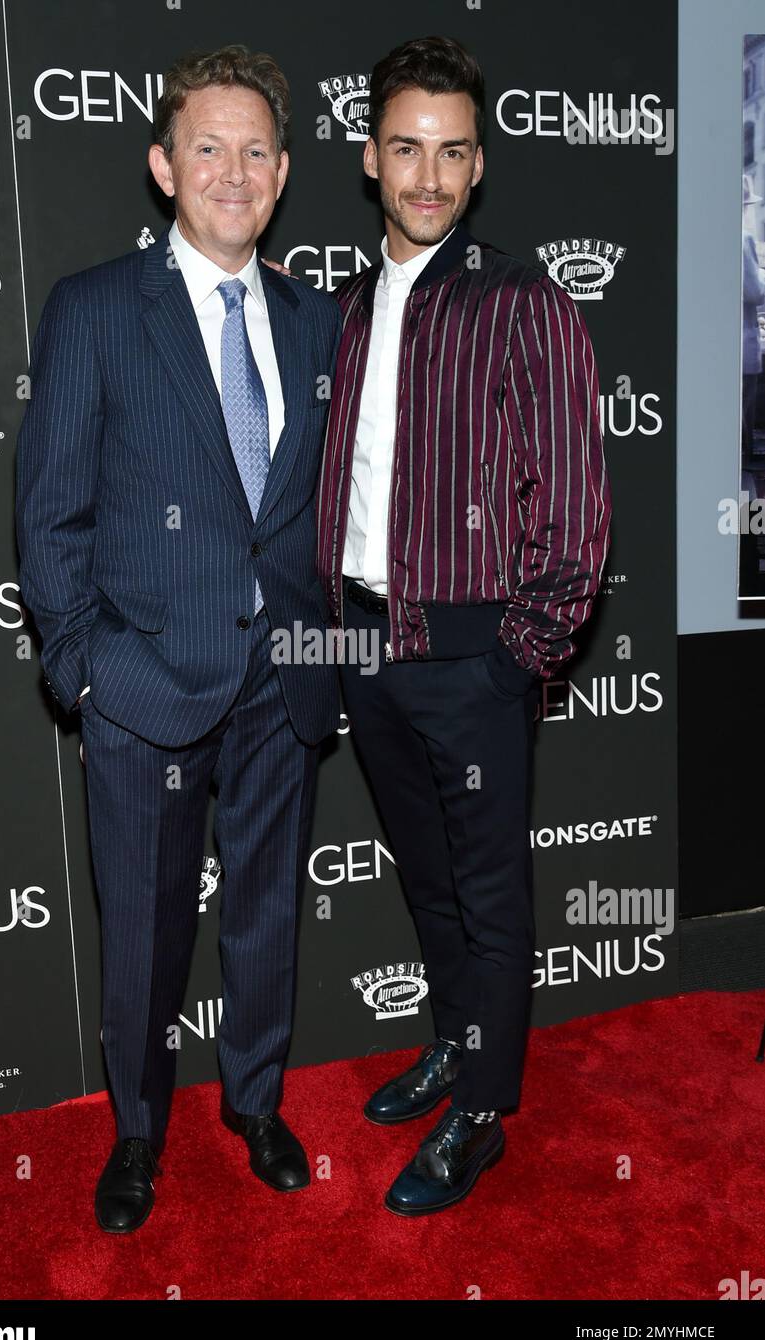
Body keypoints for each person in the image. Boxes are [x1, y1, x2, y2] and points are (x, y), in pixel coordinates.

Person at [16, 44, 342, 1233]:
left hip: (281, 683)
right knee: (145, 932)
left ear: (285, 171)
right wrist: (81, 663)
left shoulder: (315, 321)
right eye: (207, 146)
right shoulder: (98, 308)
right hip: (143, 681)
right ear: (163, 166)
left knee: (264, 914)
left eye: (255, 149)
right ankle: (138, 1132)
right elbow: (49, 511)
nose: (232, 169)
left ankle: (253, 1103)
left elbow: (325, 507)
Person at [316, 35, 613, 1216]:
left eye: (449, 153)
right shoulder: (342, 305)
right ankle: (452, 1041)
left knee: (488, 893)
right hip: (364, 645)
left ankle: (482, 1111)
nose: (426, 176)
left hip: (473, 649)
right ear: (369, 159)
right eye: (404, 149)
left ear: (477, 164)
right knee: (428, 876)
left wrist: (514, 654)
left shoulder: (522, 301)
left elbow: (577, 509)